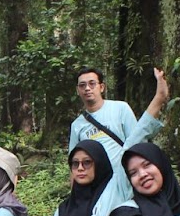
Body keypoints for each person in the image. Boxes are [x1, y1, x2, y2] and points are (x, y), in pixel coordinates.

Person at [67, 67, 170, 198]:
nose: (87, 88)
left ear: (102, 87)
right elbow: (74, 164)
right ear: (78, 90)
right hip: (97, 186)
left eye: (92, 83)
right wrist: (74, 198)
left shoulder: (120, 108)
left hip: (124, 176)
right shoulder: (77, 125)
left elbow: (136, 141)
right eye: (82, 85)